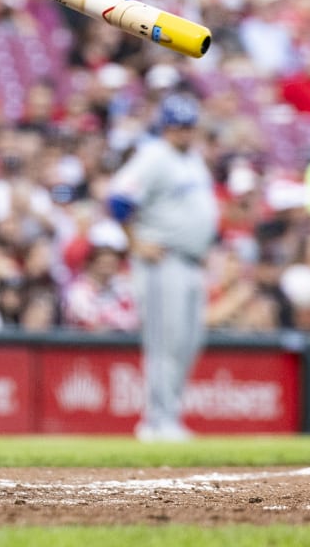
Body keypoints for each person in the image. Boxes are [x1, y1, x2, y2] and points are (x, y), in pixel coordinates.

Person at [107, 94, 220, 442]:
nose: (185, 132)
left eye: (189, 126)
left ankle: (170, 416)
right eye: (179, 126)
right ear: (166, 126)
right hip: (162, 260)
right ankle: (156, 422)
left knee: (189, 342)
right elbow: (119, 198)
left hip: (190, 261)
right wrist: (135, 242)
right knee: (165, 343)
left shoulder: (192, 159)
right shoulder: (154, 156)